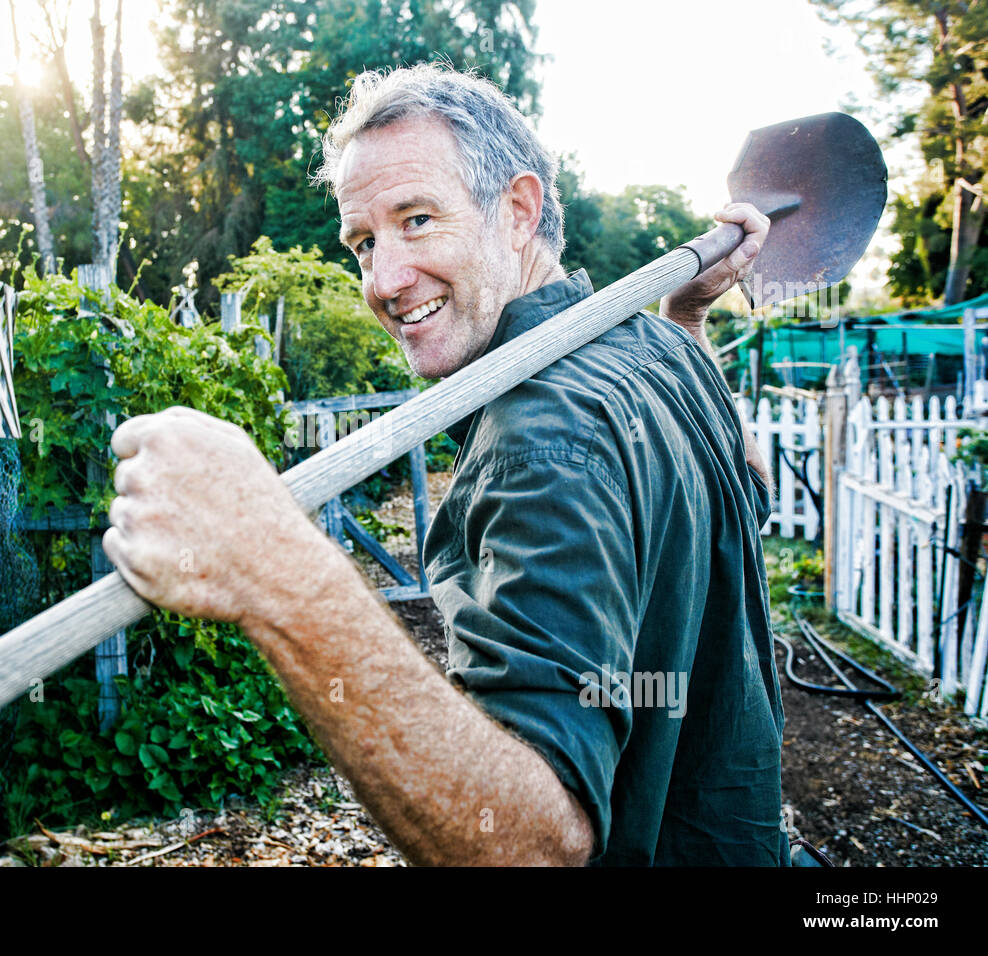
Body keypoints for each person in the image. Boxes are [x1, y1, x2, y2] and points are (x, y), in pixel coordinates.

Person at [102, 62, 787, 865]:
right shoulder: (664, 346)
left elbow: (533, 849)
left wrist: (281, 575)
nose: (384, 281)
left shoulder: (542, 435)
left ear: (519, 211)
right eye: (363, 243)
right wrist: (692, 319)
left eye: (418, 219)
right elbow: (752, 491)